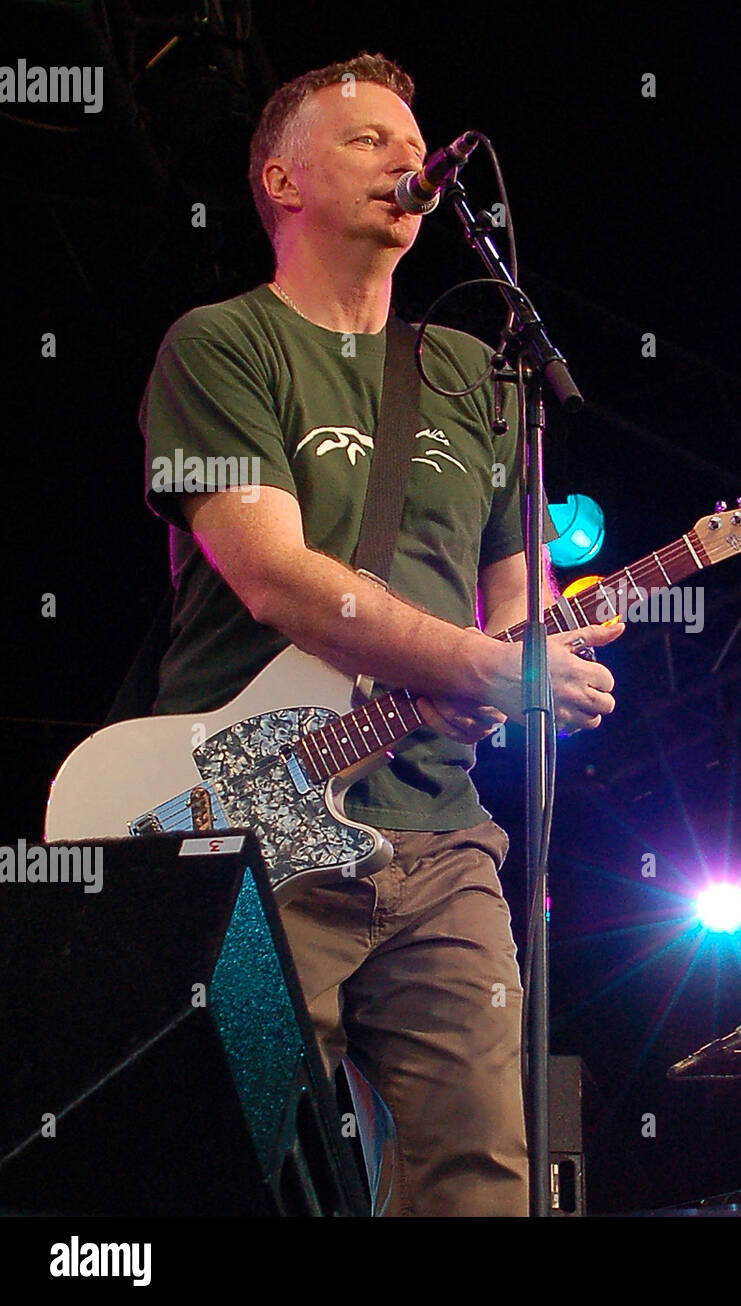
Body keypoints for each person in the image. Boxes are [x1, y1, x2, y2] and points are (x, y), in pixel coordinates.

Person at [139, 52, 622, 1216]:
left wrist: (526, 658)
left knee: (482, 1170)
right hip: (252, 816)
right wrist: (479, 662)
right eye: (366, 140)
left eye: (415, 144)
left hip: (442, 833)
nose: (409, 161)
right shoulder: (221, 344)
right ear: (281, 179)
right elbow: (279, 581)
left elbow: (513, 593)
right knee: (242, 1152)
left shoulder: (477, 373)